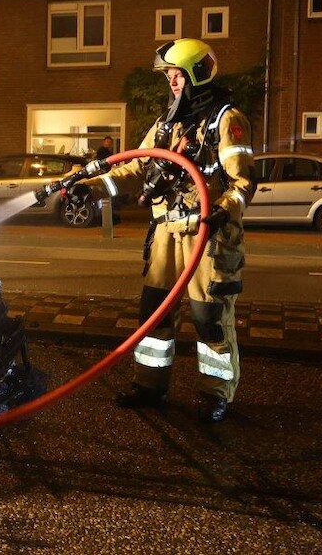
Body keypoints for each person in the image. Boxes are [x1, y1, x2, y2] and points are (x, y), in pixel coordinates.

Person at [77, 38, 256, 423]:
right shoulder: (166, 125)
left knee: (209, 319)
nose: (172, 82)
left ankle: (215, 394)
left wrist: (222, 212)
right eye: (169, 76)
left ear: (198, 73)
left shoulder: (227, 121)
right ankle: (149, 385)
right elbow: (136, 167)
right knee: (153, 315)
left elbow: (243, 184)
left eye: (177, 75)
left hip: (207, 237)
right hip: (165, 235)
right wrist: (90, 185)